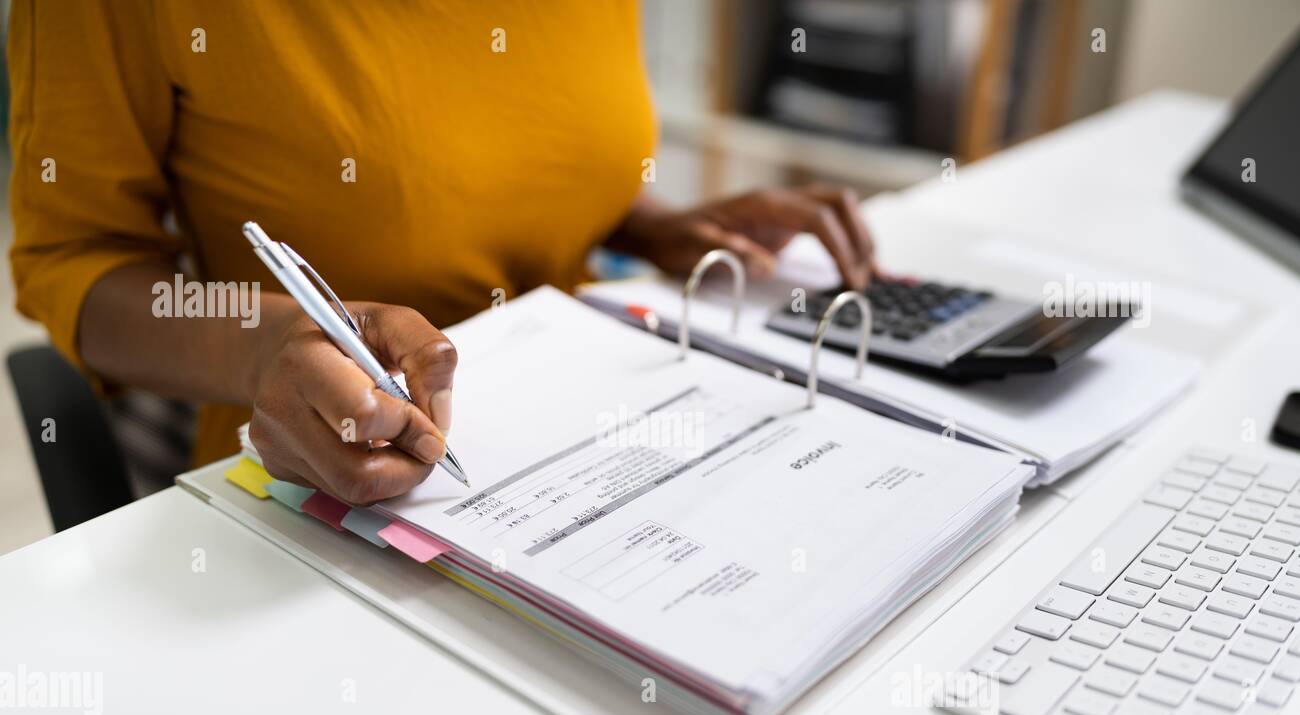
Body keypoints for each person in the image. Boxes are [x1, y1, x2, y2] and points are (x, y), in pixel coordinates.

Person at [10, 1, 874, 506]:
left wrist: (649, 224)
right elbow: (73, 260)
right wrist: (263, 343)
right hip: (328, 482)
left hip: (597, 441)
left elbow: (516, 150)